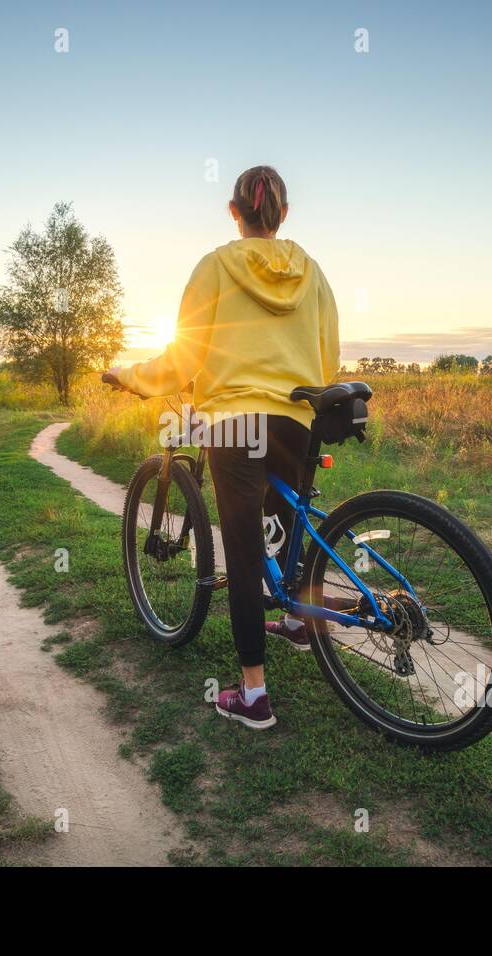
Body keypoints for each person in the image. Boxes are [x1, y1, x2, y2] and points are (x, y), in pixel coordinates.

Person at [104, 165, 339, 730]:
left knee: (239, 545)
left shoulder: (214, 267)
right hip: (298, 419)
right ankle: (301, 619)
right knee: (289, 520)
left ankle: (253, 695)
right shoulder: (314, 274)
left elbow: (182, 360)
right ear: (282, 215)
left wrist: (129, 375)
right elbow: (328, 355)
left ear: (234, 211)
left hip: (235, 424)